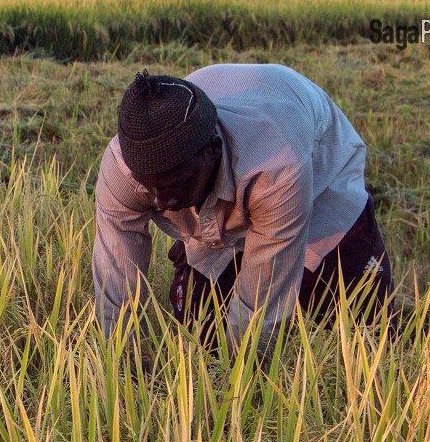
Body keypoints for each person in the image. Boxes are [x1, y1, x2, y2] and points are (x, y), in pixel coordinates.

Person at [92, 64, 395, 363]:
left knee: (367, 330)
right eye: (150, 187)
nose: (163, 202)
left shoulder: (276, 164)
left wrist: (236, 384)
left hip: (319, 182)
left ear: (213, 149)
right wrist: (121, 365)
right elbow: (115, 280)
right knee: (203, 332)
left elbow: (262, 302)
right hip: (219, 195)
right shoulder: (122, 168)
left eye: (175, 185)